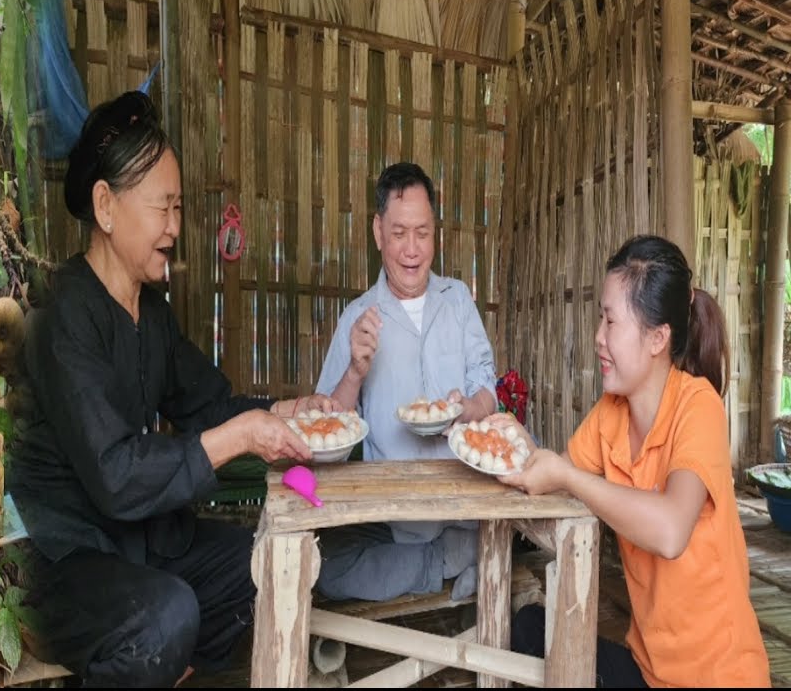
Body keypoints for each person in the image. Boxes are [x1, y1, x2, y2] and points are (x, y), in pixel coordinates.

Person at [8, 90, 341, 687]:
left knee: (258, 563)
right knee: (164, 617)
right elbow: (113, 473)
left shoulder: (152, 314)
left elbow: (208, 404)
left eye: (180, 209)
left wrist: (280, 410)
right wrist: (239, 434)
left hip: (138, 542)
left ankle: (164, 671)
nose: (175, 228)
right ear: (106, 207)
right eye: (163, 208)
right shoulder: (60, 314)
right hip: (66, 559)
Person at [496, 234, 770, 688]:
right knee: (527, 627)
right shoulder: (612, 413)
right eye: (599, 320)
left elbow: (669, 531)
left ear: (659, 338)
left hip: (721, 679)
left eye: (610, 321)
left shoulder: (697, 406)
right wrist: (515, 444)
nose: (598, 338)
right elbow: (555, 474)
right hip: (651, 673)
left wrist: (566, 475)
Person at [313, 161, 498, 603]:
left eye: (422, 233)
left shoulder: (457, 301)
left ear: (435, 232)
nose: (411, 250)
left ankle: (461, 550)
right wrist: (356, 371)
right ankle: (451, 559)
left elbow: (488, 386)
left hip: (464, 502)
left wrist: (469, 408)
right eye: (399, 234)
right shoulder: (359, 318)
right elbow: (327, 429)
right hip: (396, 516)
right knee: (326, 566)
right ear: (378, 232)